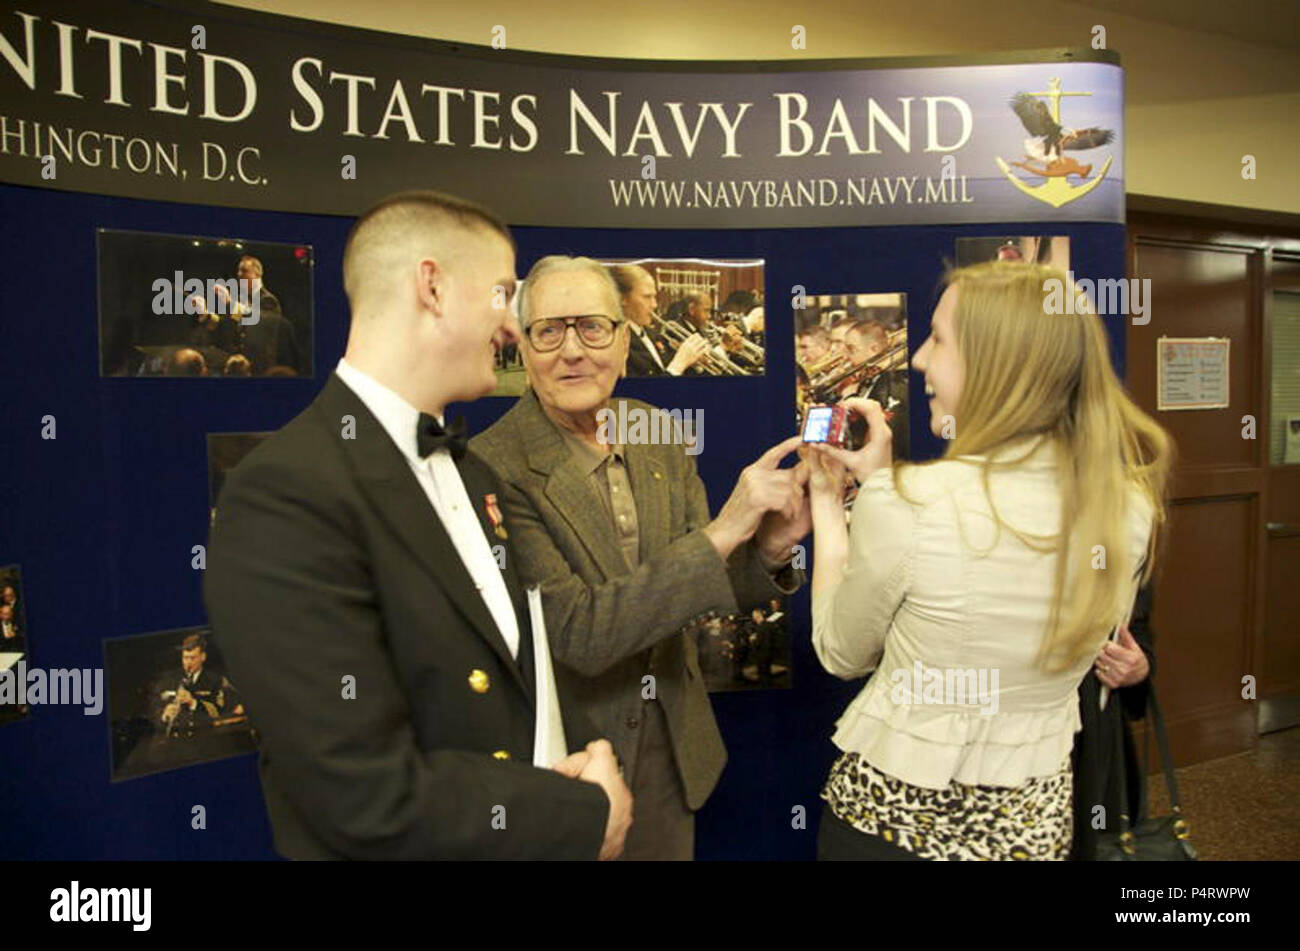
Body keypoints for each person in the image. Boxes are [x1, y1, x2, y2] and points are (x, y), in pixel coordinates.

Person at [204, 191, 632, 860]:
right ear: (431, 286)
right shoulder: (283, 493)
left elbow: (513, 687)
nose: (515, 329)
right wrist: (578, 815)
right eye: (501, 294)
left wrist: (579, 761)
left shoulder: (476, 477)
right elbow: (361, 792)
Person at [803, 260, 1171, 861]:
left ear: (997, 366)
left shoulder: (906, 502)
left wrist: (831, 503)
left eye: (939, 339)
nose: (919, 358)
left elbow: (841, 652)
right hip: (1035, 831)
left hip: (892, 832)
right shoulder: (1127, 507)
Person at [472, 255, 808, 859]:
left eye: (593, 327)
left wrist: (770, 548)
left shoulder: (656, 430)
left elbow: (701, 583)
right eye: (550, 330)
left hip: (672, 756)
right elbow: (578, 634)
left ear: (624, 343)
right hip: (565, 767)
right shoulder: (493, 466)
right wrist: (723, 531)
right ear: (523, 348)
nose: (572, 350)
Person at [1070, 582, 1156, 860]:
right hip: (1001, 737)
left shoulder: (1114, 543)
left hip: (1093, 729)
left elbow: (1136, 627)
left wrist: (1139, 664)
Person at [609, 264, 707, 377]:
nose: (654, 305)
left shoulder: (651, 334)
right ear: (622, 299)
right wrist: (678, 364)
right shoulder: (618, 342)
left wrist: (693, 363)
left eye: (654, 297)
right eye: (647, 297)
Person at [155, 633, 240, 739]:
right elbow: (154, 710)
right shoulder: (169, 679)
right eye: (185, 658)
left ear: (203, 657)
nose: (188, 663)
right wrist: (164, 716)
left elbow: (220, 712)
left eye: (193, 658)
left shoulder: (215, 681)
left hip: (204, 741)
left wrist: (193, 702)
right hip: (173, 741)